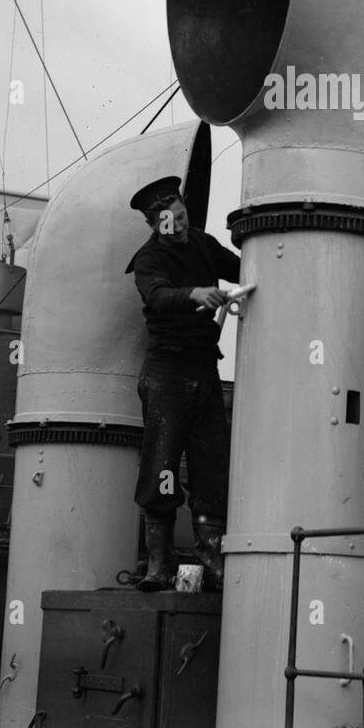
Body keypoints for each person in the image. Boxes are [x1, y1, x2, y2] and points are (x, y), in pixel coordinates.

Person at [125, 175, 241, 591]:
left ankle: (212, 561)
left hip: (203, 369)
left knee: (211, 464)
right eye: (172, 221)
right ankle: (159, 565)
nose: (181, 225)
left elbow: (242, 265)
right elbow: (157, 296)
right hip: (167, 372)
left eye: (184, 215)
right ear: (156, 224)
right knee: (162, 464)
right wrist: (195, 293)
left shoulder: (203, 244)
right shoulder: (148, 260)